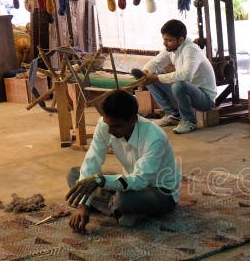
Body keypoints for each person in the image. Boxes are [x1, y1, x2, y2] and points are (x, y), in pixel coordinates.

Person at [66, 90, 181, 233]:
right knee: (76, 176)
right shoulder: (105, 125)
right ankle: (121, 210)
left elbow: (139, 181)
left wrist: (99, 182)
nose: (109, 130)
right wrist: (83, 205)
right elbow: (92, 159)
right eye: (107, 124)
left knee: (122, 199)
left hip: (159, 191)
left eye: (116, 126)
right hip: (128, 182)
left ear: (133, 119)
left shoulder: (155, 137)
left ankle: (119, 207)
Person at [142, 19, 218, 135]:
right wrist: (145, 72)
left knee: (178, 84)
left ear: (181, 39)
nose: (165, 43)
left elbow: (186, 74)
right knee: (148, 79)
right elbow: (156, 62)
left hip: (205, 99)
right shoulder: (172, 49)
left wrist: (157, 78)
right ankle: (173, 115)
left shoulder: (191, 49)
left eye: (168, 40)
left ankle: (189, 121)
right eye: (164, 39)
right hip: (187, 92)